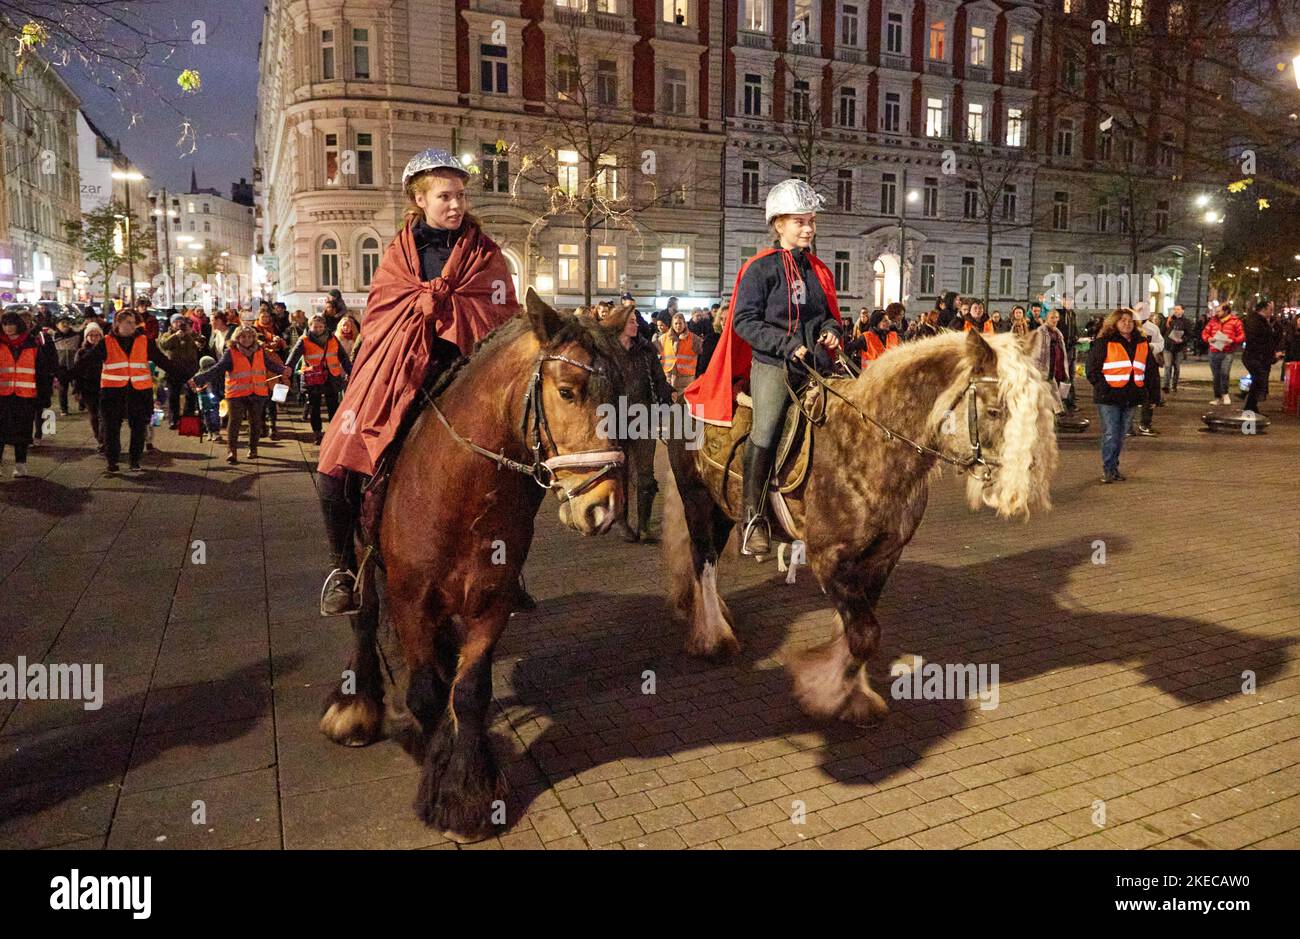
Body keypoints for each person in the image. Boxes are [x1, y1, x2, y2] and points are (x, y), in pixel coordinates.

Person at [314, 147, 518, 616]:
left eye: (461, 195)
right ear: (420, 198)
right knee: (335, 462)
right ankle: (343, 568)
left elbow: (503, 320)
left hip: (468, 374)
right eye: (445, 196)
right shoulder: (397, 257)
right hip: (399, 374)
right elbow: (383, 318)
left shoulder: (486, 255)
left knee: (518, 460)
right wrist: (421, 312)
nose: (456, 205)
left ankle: (510, 565)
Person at [684, 178, 843, 557]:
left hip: (815, 368)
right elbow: (745, 321)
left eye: (811, 221)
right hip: (773, 366)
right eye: (799, 222)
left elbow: (824, 316)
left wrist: (832, 331)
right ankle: (753, 518)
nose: (808, 228)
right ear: (779, 225)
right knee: (767, 429)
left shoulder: (818, 271)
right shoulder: (760, 269)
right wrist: (787, 344)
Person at [598, 305, 672, 543]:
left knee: (645, 475)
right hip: (615, 417)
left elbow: (658, 377)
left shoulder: (645, 348)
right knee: (620, 474)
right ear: (619, 323)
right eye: (630, 321)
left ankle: (644, 525)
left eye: (636, 320)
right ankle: (622, 522)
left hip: (643, 416)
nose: (636, 324)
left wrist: (668, 394)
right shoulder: (607, 351)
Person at [76, 308, 179, 474]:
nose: (133, 326)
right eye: (129, 322)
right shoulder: (107, 341)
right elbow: (85, 362)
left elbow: (163, 361)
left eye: (134, 322)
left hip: (139, 392)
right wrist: (66, 377)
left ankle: (135, 461)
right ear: (118, 323)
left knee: (138, 428)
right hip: (113, 393)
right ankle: (112, 462)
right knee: (111, 429)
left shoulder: (144, 341)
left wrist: (186, 376)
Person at [189, 325, 291, 463]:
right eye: (243, 336)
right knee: (234, 422)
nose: (247, 339)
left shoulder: (260, 350)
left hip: (257, 392)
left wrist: (282, 369)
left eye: (249, 336)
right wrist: (199, 379)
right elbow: (217, 369)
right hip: (237, 393)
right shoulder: (231, 352)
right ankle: (232, 451)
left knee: (255, 422)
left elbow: (270, 364)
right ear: (237, 338)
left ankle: (253, 448)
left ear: (254, 338)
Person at [1086, 308, 1157, 484]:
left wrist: (1154, 397)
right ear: (1115, 323)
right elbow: (1092, 369)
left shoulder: (1142, 343)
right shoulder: (1104, 342)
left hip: (1131, 396)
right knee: (1111, 433)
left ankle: (1114, 467)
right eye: (1123, 320)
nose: (1127, 323)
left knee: (1121, 434)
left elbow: (1151, 371)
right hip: (1109, 397)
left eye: (1130, 321)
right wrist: (1103, 388)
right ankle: (1109, 469)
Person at [285, 312, 353, 445]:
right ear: (310, 327)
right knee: (314, 407)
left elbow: (343, 357)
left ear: (324, 326)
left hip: (331, 376)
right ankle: (317, 433)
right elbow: (294, 356)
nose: (318, 329)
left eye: (321, 327)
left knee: (333, 406)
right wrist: (287, 368)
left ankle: (333, 433)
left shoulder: (332, 338)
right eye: (315, 327)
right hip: (313, 378)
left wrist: (351, 371)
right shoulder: (304, 340)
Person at [0, 309, 53, 477]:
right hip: (3, 395)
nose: (8, 328)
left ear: (19, 325)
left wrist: (44, 395)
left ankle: (21, 464)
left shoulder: (32, 345)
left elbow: (42, 371)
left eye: (11, 324)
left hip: (25, 396)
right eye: (5, 324)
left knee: (22, 432)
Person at [158, 313, 206, 429]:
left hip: (190, 369)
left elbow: (202, 341)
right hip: (173, 370)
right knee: (173, 395)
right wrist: (176, 336)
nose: (179, 324)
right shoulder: (166, 335)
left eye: (181, 321)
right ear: (171, 323)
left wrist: (194, 336)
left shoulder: (190, 333)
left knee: (191, 394)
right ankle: (174, 420)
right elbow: (164, 345)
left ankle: (187, 419)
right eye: (176, 322)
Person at [1241, 299, 1282, 414]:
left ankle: (1251, 407)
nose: (1271, 312)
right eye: (1270, 310)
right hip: (1255, 357)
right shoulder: (1255, 321)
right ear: (1263, 309)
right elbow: (1260, 340)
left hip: (1260, 356)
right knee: (1258, 380)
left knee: (1258, 381)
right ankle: (1250, 407)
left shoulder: (1263, 321)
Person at [72, 322, 106, 450]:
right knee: (94, 415)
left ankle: (103, 440)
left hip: (104, 386)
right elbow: (77, 372)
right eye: (91, 335)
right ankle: (99, 437)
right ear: (86, 337)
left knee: (103, 414)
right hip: (88, 387)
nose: (94, 338)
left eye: (97, 335)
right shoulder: (81, 353)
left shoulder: (105, 351)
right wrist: (76, 390)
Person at [1202, 302, 1244, 405]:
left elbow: (1242, 335)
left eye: (1219, 311)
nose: (1217, 313)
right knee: (1216, 375)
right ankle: (1217, 397)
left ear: (1226, 311)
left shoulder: (1235, 322)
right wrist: (1208, 338)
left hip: (1227, 352)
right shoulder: (1213, 321)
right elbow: (1205, 333)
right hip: (1214, 350)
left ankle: (1225, 394)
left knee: (1224, 373)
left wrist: (1232, 340)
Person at [1131, 307, 1164, 436]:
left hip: (1147, 364)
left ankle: (1145, 423)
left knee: (1148, 395)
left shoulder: (1152, 328)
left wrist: (1152, 347)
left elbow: (1160, 343)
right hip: (1131, 368)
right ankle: (1128, 426)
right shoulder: (1128, 325)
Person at [659, 311, 700, 396]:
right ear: (672, 324)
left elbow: (702, 359)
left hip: (687, 381)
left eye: (680, 323)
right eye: (676, 323)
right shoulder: (663, 339)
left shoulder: (695, 339)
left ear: (685, 324)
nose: (678, 326)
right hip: (668, 378)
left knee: (684, 407)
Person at [52, 317, 82, 415]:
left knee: (78, 386)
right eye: (62, 323)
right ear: (57, 325)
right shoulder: (54, 337)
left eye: (67, 322)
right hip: (61, 366)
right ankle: (64, 409)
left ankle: (82, 404)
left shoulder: (76, 336)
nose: (65, 324)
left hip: (74, 366)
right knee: (63, 389)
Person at [1161, 304, 1191, 393]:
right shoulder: (1168, 319)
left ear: (1182, 311)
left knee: (1177, 367)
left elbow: (1189, 334)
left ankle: (1174, 385)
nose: (1176, 311)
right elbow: (1162, 332)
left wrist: (1183, 340)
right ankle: (1166, 386)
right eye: (1175, 309)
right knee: (1167, 366)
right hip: (1168, 347)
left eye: (1178, 309)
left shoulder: (1186, 322)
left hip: (1179, 348)